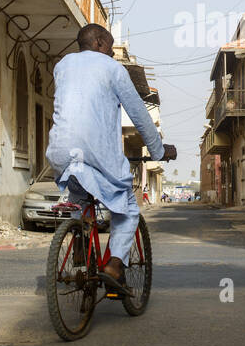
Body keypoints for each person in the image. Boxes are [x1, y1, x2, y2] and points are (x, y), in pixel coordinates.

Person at [47, 24, 175, 291]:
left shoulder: (62, 66)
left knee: (79, 195)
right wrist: (159, 150)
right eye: (111, 49)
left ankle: (80, 243)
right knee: (127, 210)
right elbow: (139, 113)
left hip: (60, 151)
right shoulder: (113, 69)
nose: (114, 56)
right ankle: (114, 266)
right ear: (101, 43)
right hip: (96, 152)